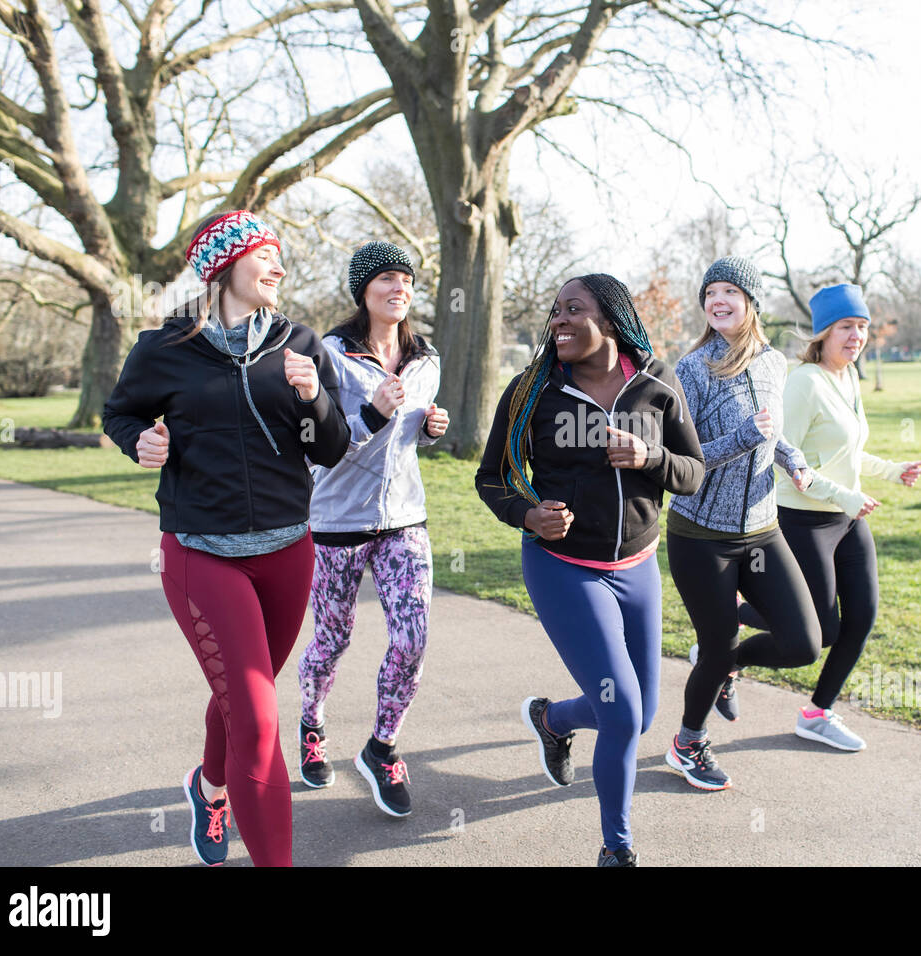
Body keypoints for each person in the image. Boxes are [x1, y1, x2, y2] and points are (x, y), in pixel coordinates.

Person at [103, 210, 350, 867]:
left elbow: (332, 447)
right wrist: (142, 441)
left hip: (289, 552)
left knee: (248, 694)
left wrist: (315, 399)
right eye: (266, 254)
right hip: (202, 554)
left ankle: (208, 788)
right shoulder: (165, 348)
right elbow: (120, 410)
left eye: (280, 257)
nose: (279, 268)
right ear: (224, 266)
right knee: (260, 719)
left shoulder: (299, 344)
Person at [475, 273, 704, 866]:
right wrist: (528, 516)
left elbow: (694, 472)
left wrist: (649, 455)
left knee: (641, 714)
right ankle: (616, 849)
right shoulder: (532, 392)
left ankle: (552, 720)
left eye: (573, 310)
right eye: (555, 312)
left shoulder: (657, 383)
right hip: (564, 568)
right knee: (623, 712)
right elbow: (491, 477)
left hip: (638, 566)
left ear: (610, 319)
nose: (559, 321)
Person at [296, 241, 449, 818]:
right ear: (363, 290)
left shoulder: (426, 358)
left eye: (406, 280)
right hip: (337, 519)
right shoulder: (329, 355)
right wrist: (372, 415)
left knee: (413, 638)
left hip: (404, 520)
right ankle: (312, 723)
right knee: (332, 640)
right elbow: (318, 443)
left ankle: (382, 747)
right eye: (386, 278)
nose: (399, 288)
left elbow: (407, 444)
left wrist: (428, 430)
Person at [739, 283, 921, 751]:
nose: (856, 336)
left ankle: (817, 713)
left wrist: (893, 470)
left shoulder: (849, 377)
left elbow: (850, 451)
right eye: (846, 326)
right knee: (820, 630)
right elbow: (788, 458)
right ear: (823, 332)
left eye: (862, 326)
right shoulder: (804, 382)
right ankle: (726, 646)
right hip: (804, 519)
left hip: (847, 518)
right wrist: (842, 496)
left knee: (861, 618)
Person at [664, 256, 822, 791]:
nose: (718, 301)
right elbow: (681, 460)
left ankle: (731, 666)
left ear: (751, 302)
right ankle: (688, 743)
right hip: (700, 535)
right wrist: (744, 440)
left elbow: (769, 431)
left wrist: (792, 457)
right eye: (711, 293)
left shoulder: (774, 363)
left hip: (761, 527)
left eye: (730, 291)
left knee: (803, 641)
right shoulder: (692, 369)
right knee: (717, 644)